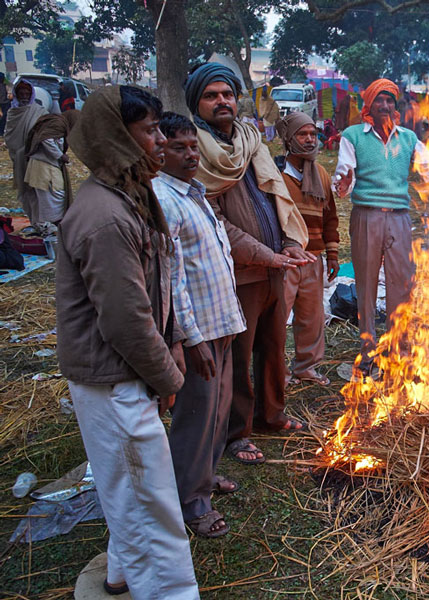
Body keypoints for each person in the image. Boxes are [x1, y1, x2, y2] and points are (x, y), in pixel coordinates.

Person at [57, 85, 199, 599]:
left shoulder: (128, 195)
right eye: (149, 131)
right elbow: (125, 320)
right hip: (115, 376)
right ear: (118, 137)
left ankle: (120, 573)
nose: (160, 141)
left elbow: (156, 285)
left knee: (126, 486)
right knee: (148, 498)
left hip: (125, 371)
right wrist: (168, 376)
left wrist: (175, 340)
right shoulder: (107, 217)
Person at [184, 62, 315, 465]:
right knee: (238, 357)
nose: (221, 101)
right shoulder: (195, 152)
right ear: (198, 103)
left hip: (275, 267)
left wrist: (291, 242)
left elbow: (279, 197)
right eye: (211, 95)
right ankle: (237, 433)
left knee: (274, 346)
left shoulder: (249, 140)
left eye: (226, 94)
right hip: (236, 275)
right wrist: (265, 255)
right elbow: (215, 222)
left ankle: (272, 416)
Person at [152, 112, 246, 539]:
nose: (190, 154)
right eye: (179, 147)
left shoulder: (194, 193)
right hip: (198, 331)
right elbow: (172, 278)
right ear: (160, 151)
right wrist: (189, 338)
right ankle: (190, 501)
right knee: (196, 414)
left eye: (194, 146)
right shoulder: (164, 198)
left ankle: (203, 484)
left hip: (221, 319)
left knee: (218, 410)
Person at [334, 78, 429, 376]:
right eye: (379, 100)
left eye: (390, 100)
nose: (384, 106)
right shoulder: (353, 135)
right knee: (366, 285)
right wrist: (344, 182)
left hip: (399, 217)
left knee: (402, 284)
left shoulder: (408, 139)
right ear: (368, 105)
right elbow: (345, 174)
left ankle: (400, 352)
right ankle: (367, 353)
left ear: (396, 106)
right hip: (366, 215)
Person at [277, 111, 340, 386]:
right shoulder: (276, 176)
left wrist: (333, 253)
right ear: (289, 139)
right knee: (278, 318)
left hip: (314, 257)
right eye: (302, 134)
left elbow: (331, 217)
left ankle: (306, 367)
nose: (309, 139)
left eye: (313, 134)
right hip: (284, 258)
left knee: (312, 318)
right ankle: (277, 370)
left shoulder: (322, 175)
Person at [22, 111, 79, 237]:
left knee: (47, 197)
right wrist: (60, 155)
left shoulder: (59, 124)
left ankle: (44, 225)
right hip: (43, 166)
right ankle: (49, 226)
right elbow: (46, 139)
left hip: (44, 165)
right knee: (54, 196)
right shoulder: (58, 124)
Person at [5, 80, 48, 230]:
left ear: (31, 94)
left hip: (36, 158)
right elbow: (9, 137)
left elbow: (45, 133)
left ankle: (41, 223)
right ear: (16, 95)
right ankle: (34, 221)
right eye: (21, 93)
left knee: (39, 192)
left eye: (27, 93)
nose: (24, 96)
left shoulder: (40, 111)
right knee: (26, 192)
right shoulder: (12, 113)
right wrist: (21, 151)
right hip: (20, 159)